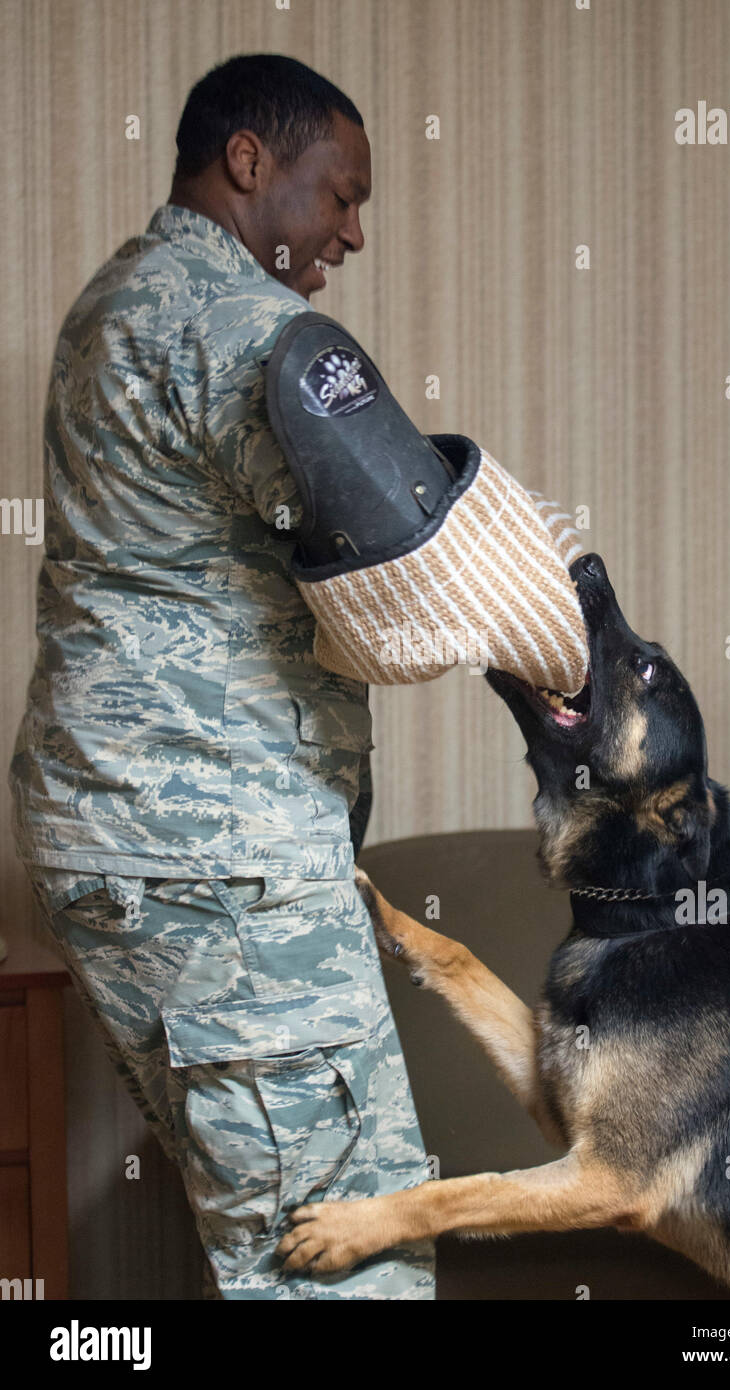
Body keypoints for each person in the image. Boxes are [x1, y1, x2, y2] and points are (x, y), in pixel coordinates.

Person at [8, 53, 585, 1301]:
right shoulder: (246, 325)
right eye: (340, 194)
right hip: (222, 852)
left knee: (265, 1236)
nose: (353, 233)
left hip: (109, 833)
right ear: (249, 162)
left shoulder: (115, 301)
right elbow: (410, 535)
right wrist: (561, 624)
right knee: (345, 1270)